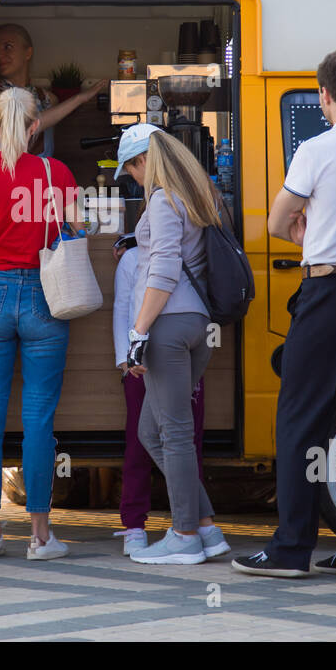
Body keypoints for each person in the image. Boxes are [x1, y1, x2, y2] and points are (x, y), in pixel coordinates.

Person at [232, 48, 336, 579]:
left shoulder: (315, 148)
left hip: (326, 292)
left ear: (324, 94)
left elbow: (278, 220)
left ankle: (291, 549)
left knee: (300, 422)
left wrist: (307, 230)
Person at [0, 86, 80, 560]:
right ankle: (41, 537)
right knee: (38, 421)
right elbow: (75, 234)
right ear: (34, 127)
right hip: (46, 299)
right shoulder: (59, 172)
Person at [117, 124, 231, 565]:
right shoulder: (200, 196)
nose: (132, 176)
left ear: (145, 160)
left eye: (131, 168)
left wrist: (138, 333)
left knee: (175, 434)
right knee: (152, 431)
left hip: (167, 325)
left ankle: (183, 536)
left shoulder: (164, 200)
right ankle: (205, 526)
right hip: (197, 324)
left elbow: (163, 269)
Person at [111, 232, 208, 555]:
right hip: (143, 361)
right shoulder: (131, 258)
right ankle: (135, 525)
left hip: (180, 353)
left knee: (186, 442)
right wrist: (125, 358)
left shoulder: (192, 255)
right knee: (141, 443)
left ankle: (193, 525)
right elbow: (122, 305)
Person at [0, 24, 106, 158]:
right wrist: (79, 98)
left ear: (28, 53)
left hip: (38, 178)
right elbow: (27, 125)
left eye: (7, 47)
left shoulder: (48, 98)